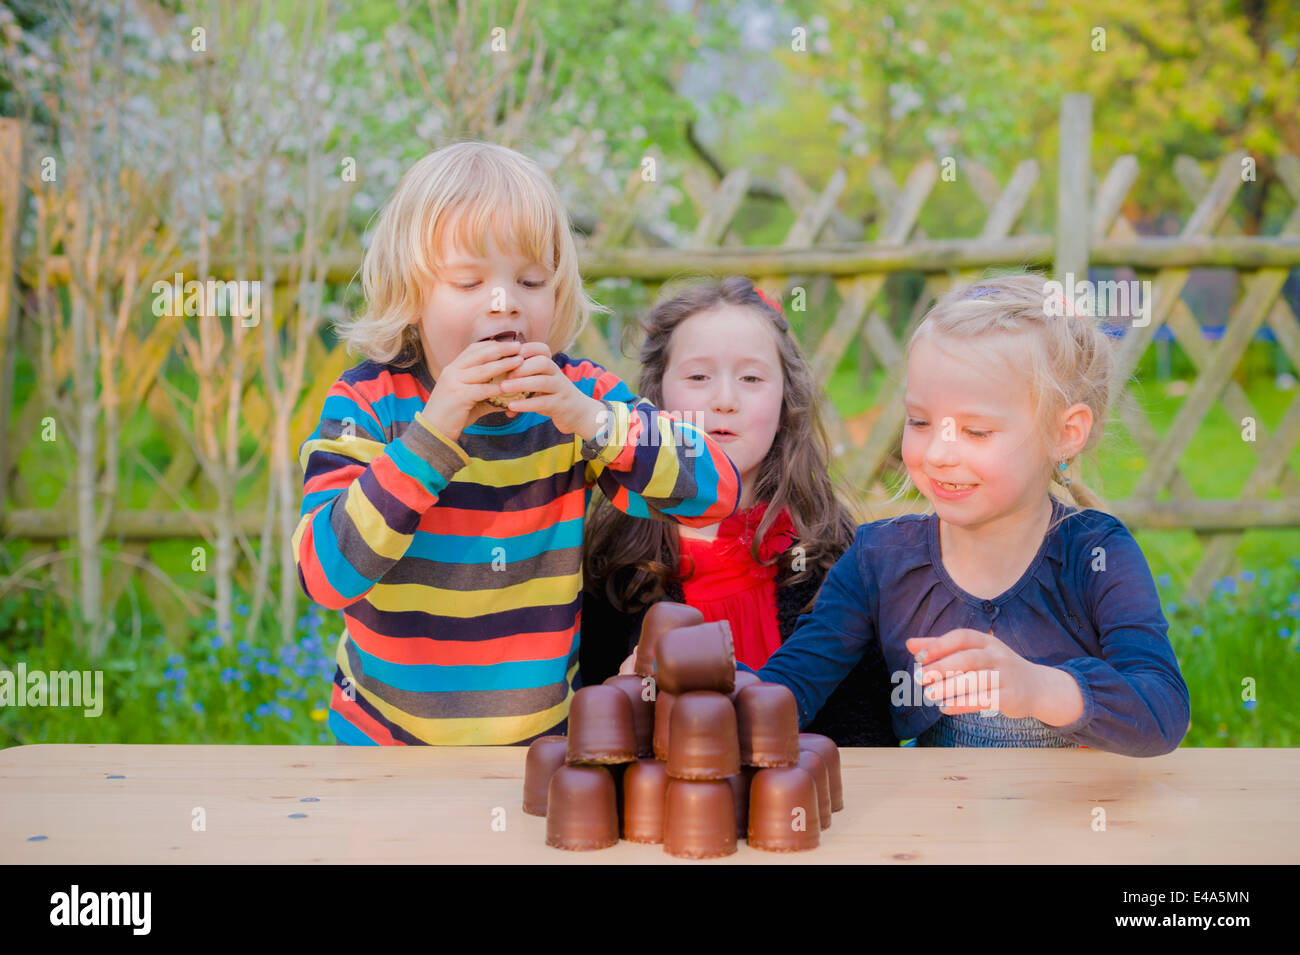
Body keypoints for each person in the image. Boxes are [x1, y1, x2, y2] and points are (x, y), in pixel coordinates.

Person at [292, 142, 741, 745]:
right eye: (468, 281)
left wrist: (593, 423)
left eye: (531, 280)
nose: (503, 302)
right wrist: (431, 437)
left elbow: (715, 492)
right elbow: (325, 574)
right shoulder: (369, 403)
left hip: (541, 749)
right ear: (413, 296)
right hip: (384, 746)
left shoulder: (577, 397)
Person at [756, 272, 1191, 755]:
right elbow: (796, 680)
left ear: (1066, 433)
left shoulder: (1095, 553)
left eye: (976, 431)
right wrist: (727, 699)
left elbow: (1163, 710)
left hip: (1076, 815)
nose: (939, 453)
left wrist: (1037, 688)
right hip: (944, 817)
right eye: (920, 421)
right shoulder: (880, 559)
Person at [581, 276, 897, 747]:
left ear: (785, 401)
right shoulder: (617, 561)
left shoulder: (829, 549)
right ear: (656, 398)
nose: (724, 400)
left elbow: (864, 726)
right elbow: (598, 729)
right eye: (698, 377)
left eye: (751, 378)